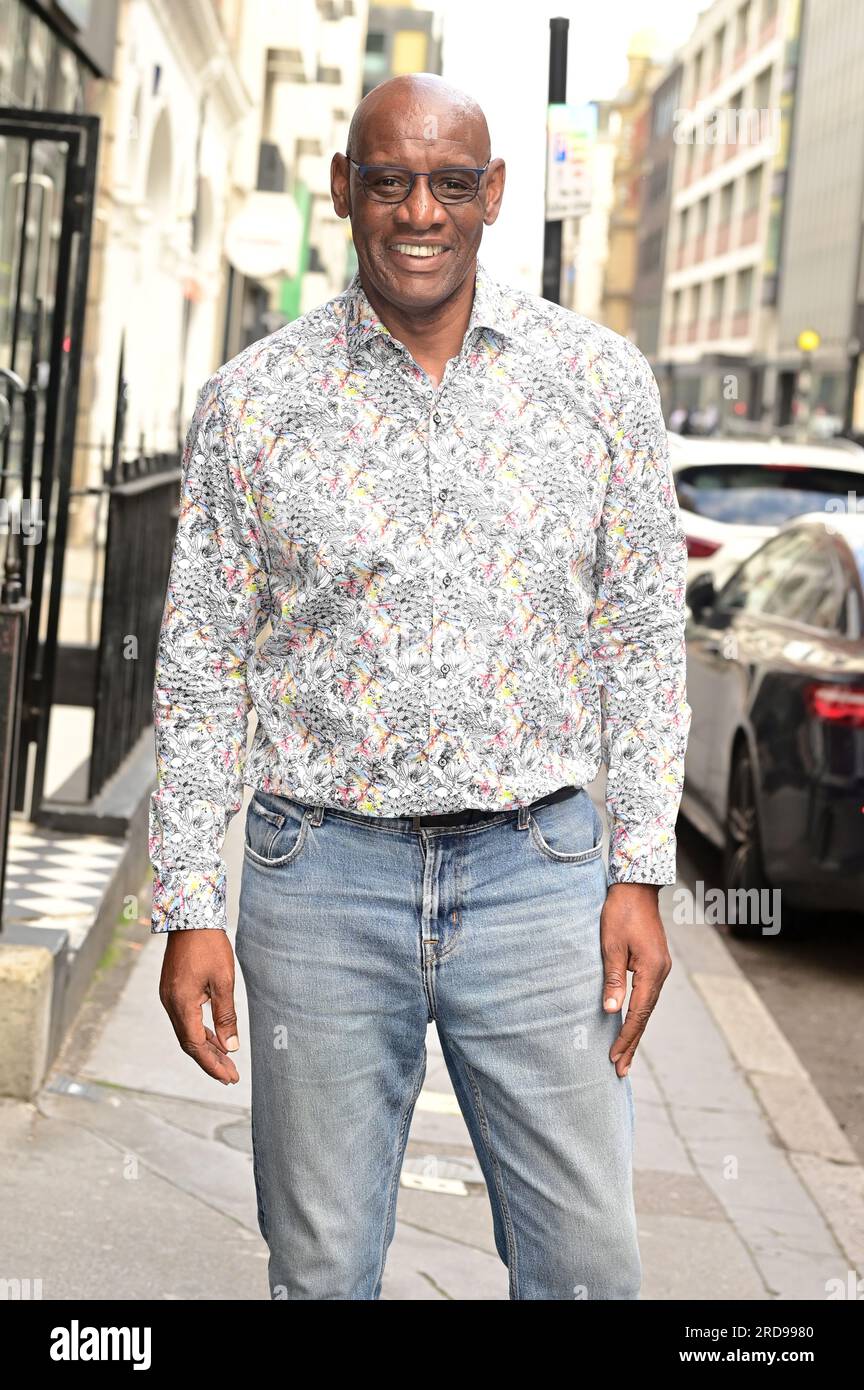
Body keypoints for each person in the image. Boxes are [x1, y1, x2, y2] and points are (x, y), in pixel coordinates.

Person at [149, 72, 691, 1301]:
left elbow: (647, 639)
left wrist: (640, 869)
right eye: (389, 180)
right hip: (321, 878)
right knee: (325, 1267)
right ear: (345, 189)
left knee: (590, 1265)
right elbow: (198, 668)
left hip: (538, 878)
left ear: (493, 195)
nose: (419, 212)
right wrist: (189, 902)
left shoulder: (598, 383)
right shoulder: (254, 401)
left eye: (452, 183)